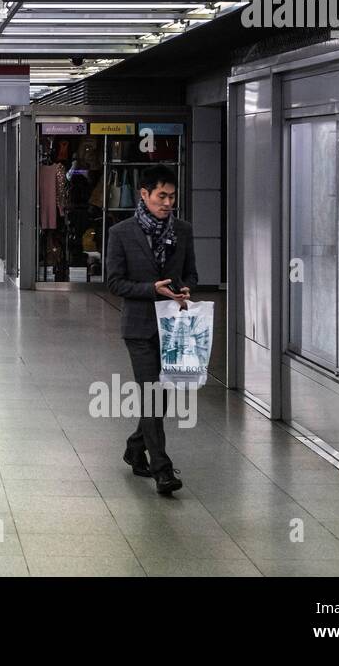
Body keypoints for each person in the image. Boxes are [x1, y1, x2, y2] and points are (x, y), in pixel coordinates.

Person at [104, 163, 197, 496]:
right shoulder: (122, 233)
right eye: (161, 195)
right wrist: (151, 289)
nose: (167, 202)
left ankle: (134, 447)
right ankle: (162, 470)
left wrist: (184, 290)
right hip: (139, 327)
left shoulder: (183, 231)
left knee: (163, 398)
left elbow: (191, 273)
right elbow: (114, 282)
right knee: (152, 394)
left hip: (173, 327)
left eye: (172, 196)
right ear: (144, 195)